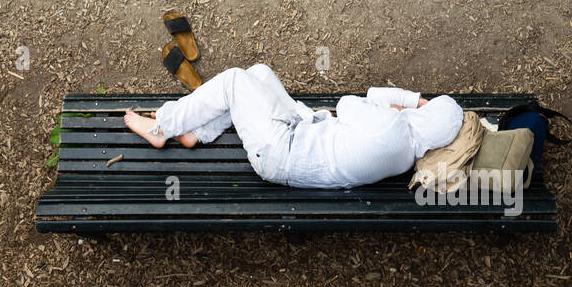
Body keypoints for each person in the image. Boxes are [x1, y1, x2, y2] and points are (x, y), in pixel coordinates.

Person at [123, 63, 464, 189]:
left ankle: (162, 128)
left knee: (233, 82)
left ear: (425, 115)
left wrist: (410, 102)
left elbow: (350, 102)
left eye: (428, 107)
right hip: (301, 139)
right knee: (259, 74)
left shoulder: (393, 127)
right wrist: (410, 110)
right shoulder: (406, 155)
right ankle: (197, 132)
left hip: (279, 152)